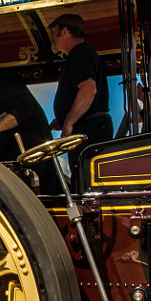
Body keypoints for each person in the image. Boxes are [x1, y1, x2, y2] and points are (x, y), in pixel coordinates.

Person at [49, 14, 113, 183]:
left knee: (85, 181)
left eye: (54, 33)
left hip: (88, 130)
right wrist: (62, 120)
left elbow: (88, 90)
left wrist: (69, 124)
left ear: (65, 31)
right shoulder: (84, 54)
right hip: (90, 126)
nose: (52, 38)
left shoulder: (79, 54)